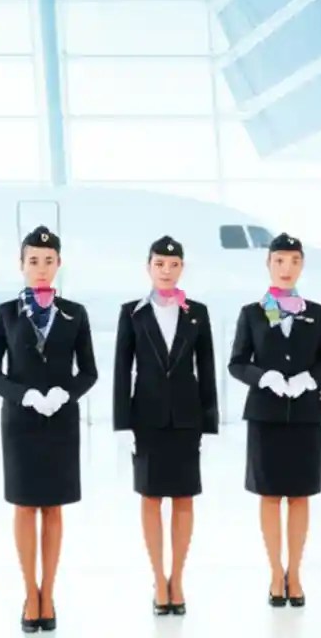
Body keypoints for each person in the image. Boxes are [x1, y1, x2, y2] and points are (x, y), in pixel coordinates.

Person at [0, 226, 96, 632]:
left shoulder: (75, 313)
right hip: (21, 424)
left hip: (61, 423)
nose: (41, 268)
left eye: (49, 260)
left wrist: (67, 393)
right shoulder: (6, 314)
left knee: (54, 507)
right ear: (21, 265)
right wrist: (24, 395)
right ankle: (30, 591)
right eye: (34, 261)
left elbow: (90, 372)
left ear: (59, 264)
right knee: (25, 506)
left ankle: (50, 590)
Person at [228, 232, 321, 609]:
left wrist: (311, 379)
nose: (286, 268)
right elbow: (237, 362)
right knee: (271, 495)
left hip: (305, 415)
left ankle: (297, 572)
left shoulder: (318, 313)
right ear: (268, 264)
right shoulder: (252, 313)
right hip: (266, 415)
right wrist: (264, 377)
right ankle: (276, 572)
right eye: (279, 261)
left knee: (301, 495)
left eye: (293, 261)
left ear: (302, 264)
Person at [113, 236, 217, 616]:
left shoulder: (197, 313)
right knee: (151, 498)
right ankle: (159, 579)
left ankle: (178, 577)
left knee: (185, 497)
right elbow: (122, 371)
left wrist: (208, 421)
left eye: (173, 265)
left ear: (182, 268)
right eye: (159, 264)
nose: (166, 271)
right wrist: (123, 423)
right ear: (149, 267)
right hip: (148, 418)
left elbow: (206, 370)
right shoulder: (132, 313)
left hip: (187, 418)